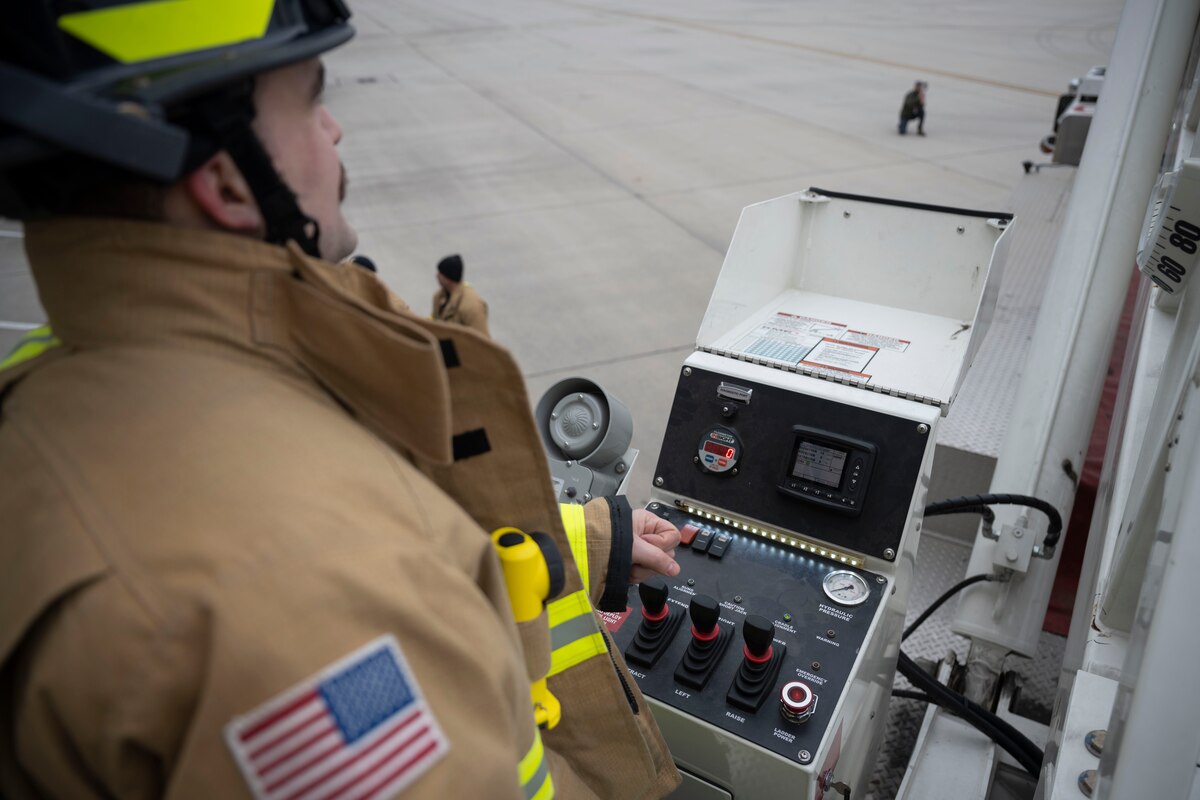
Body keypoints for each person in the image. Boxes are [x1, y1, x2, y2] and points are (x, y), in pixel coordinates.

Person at [0, 2, 682, 799]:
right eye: (313, 100)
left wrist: (588, 538)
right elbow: (318, 543)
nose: (335, 133)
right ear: (224, 179)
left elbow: (357, 487)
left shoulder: (70, 375)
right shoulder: (310, 601)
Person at [432, 253, 490, 336]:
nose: (436, 276)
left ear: (449, 277)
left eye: (440, 273)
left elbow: (482, 340)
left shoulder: (472, 306)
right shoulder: (439, 297)